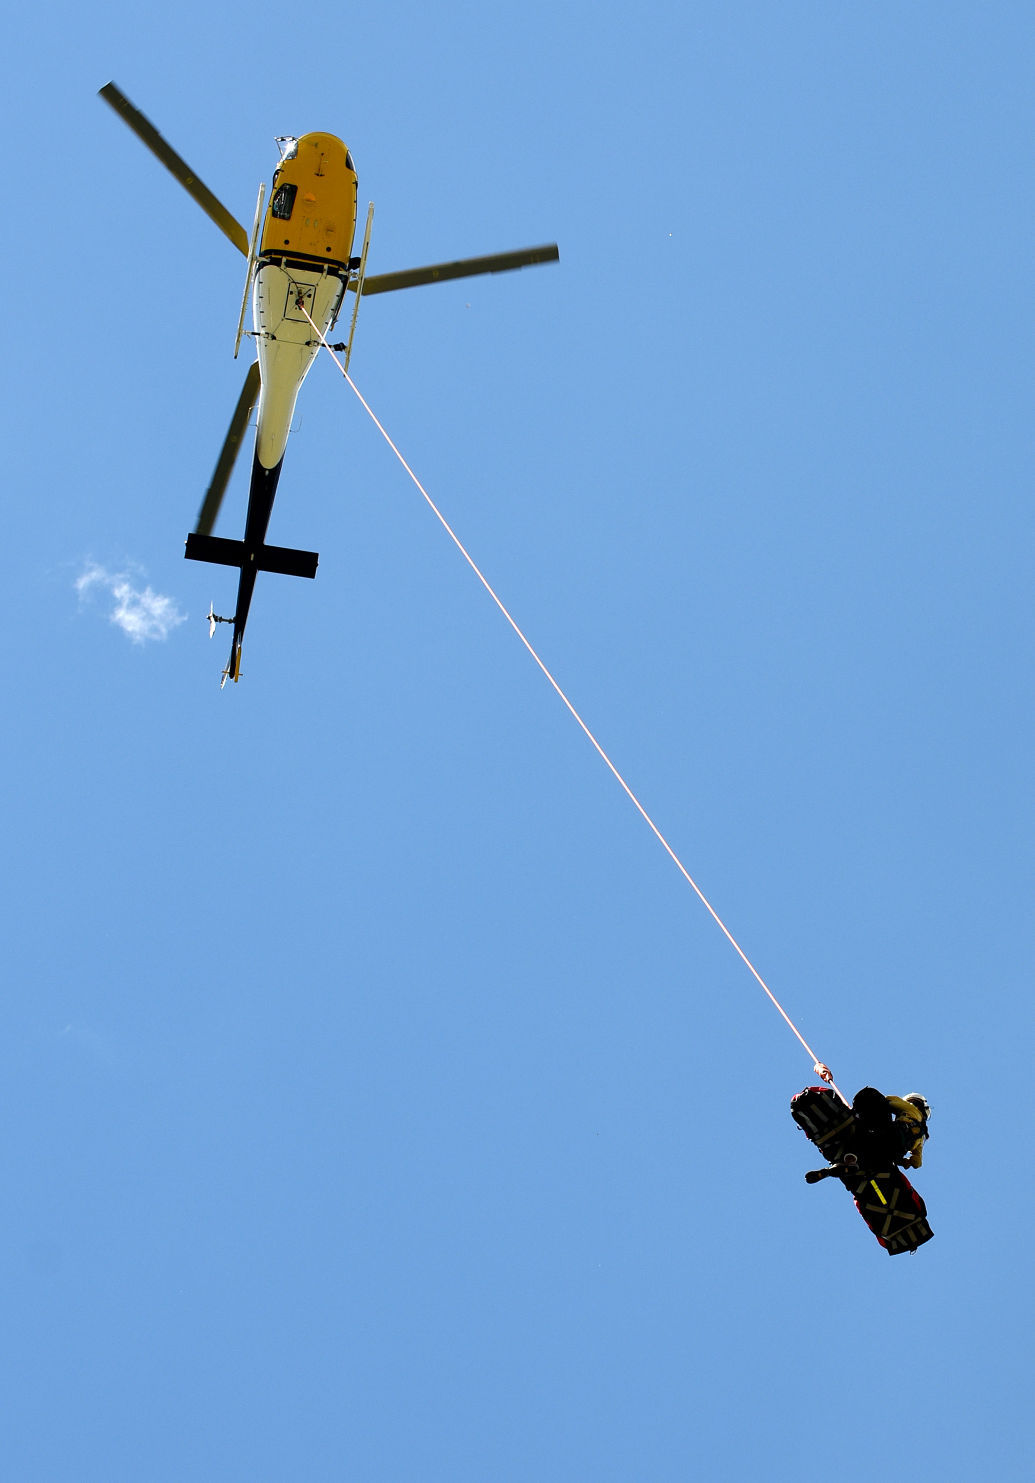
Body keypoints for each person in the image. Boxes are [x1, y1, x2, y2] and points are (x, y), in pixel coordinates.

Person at [804, 1089, 930, 1184]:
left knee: (870, 1095)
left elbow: (886, 1102)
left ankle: (848, 1159)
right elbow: (917, 1163)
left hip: (888, 1134)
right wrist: (904, 1162)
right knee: (869, 1150)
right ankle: (847, 1164)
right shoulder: (922, 1137)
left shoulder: (909, 1108)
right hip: (893, 1152)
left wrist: (858, 1113)